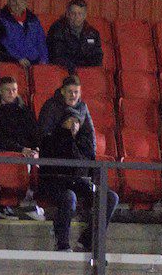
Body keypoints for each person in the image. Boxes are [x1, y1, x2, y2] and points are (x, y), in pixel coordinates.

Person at [37, 98, 117, 253]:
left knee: (110, 197)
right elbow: (52, 169)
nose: (73, 125)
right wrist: (68, 139)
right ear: (62, 123)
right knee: (69, 197)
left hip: (80, 184)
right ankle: (62, 244)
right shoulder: (51, 140)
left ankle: (87, 241)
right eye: (69, 121)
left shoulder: (84, 143)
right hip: (56, 184)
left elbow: (88, 169)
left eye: (76, 122)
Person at [0, 0, 48, 67]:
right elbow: (3, 44)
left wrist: (44, 61)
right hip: (13, 64)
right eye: (13, 1)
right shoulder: (1, 19)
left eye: (21, 1)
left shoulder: (33, 20)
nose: (17, 5)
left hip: (36, 64)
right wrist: (18, 58)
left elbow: (41, 42)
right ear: (8, 1)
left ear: (26, 2)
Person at [46, 0, 102, 70]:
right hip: (64, 70)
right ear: (68, 14)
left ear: (85, 15)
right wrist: (74, 70)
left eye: (80, 14)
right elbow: (57, 55)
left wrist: (90, 71)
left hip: (86, 72)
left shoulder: (93, 33)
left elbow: (97, 56)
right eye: (73, 13)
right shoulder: (57, 29)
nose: (76, 17)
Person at [0, 75, 40, 154]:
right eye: (7, 90)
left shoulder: (24, 110)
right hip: (6, 152)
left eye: (14, 90)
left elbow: (34, 131)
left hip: (28, 151)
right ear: (0, 91)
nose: (11, 93)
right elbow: (0, 138)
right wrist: (21, 149)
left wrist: (36, 146)